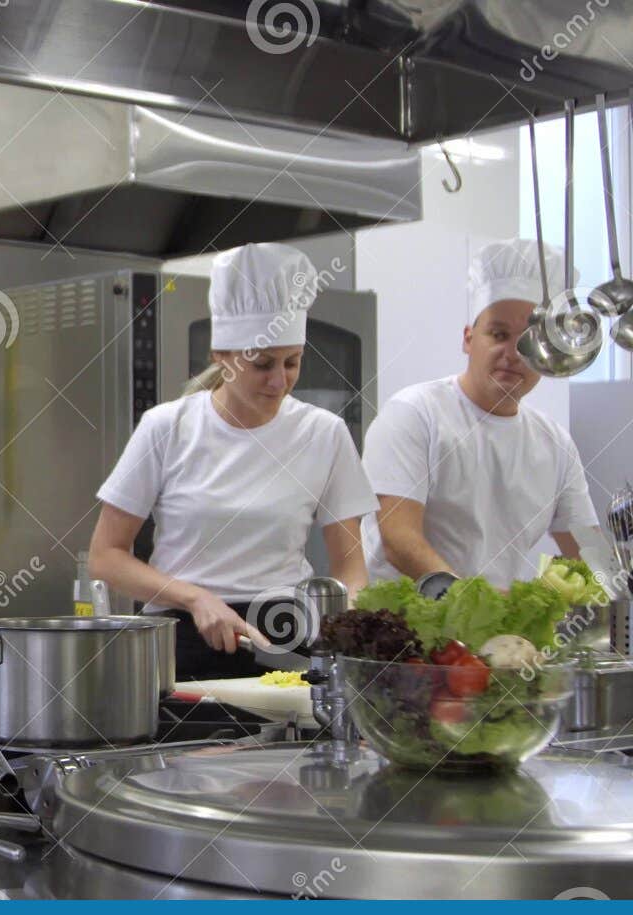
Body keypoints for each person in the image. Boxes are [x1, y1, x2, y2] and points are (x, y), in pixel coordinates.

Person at [88, 243, 378, 681]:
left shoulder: (324, 433)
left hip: (286, 639)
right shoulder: (167, 427)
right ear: (221, 357)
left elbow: (351, 565)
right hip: (183, 641)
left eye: (292, 362)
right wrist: (194, 598)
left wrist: (343, 628)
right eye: (262, 364)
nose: (279, 380)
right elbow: (105, 556)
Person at [363, 238, 598, 586]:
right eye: (498, 334)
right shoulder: (414, 413)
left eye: (530, 340)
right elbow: (399, 539)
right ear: (468, 339)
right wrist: (472, 604)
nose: (513, 353)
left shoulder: (555, 444)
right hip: (409, 630)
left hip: (500, 635)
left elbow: (588, 551)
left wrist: (615, 578)